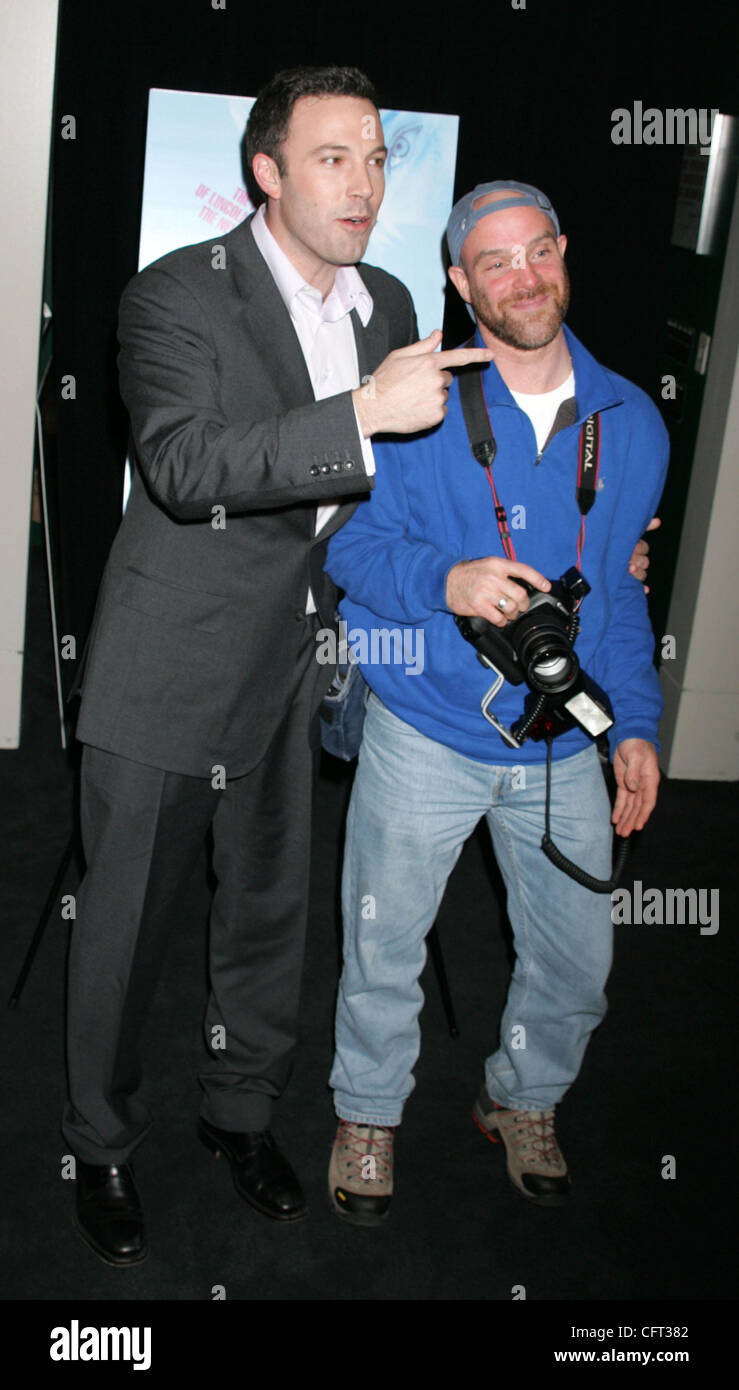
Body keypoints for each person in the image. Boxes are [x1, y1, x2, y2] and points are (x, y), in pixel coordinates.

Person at [64, 65, 495, 1266]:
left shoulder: (393, 298)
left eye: (374, 158)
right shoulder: (175, 294)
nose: (361, 183)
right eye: (331, 158)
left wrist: (566, 544)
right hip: (168, 661)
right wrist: (362, 411)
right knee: (125, 929)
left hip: (289, 665)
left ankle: (238, 1113)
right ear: (267, 172)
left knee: (266, 916)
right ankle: (98, 1142)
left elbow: (399, 490)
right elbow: (187, 466)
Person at [324, 180, 669, 1224]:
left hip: (566, 742)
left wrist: (639, 726)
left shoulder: (633, 422)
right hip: (425, 730)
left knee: (577, 956)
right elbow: (348, 548)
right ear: (460, 282)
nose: (521, 276)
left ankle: (520, 1099)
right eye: (493, 261)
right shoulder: (416, 400)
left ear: (561, 251)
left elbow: (613, 596)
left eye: (536, 251)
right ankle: (368, 1114)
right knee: (382, 942)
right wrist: (448, 581)